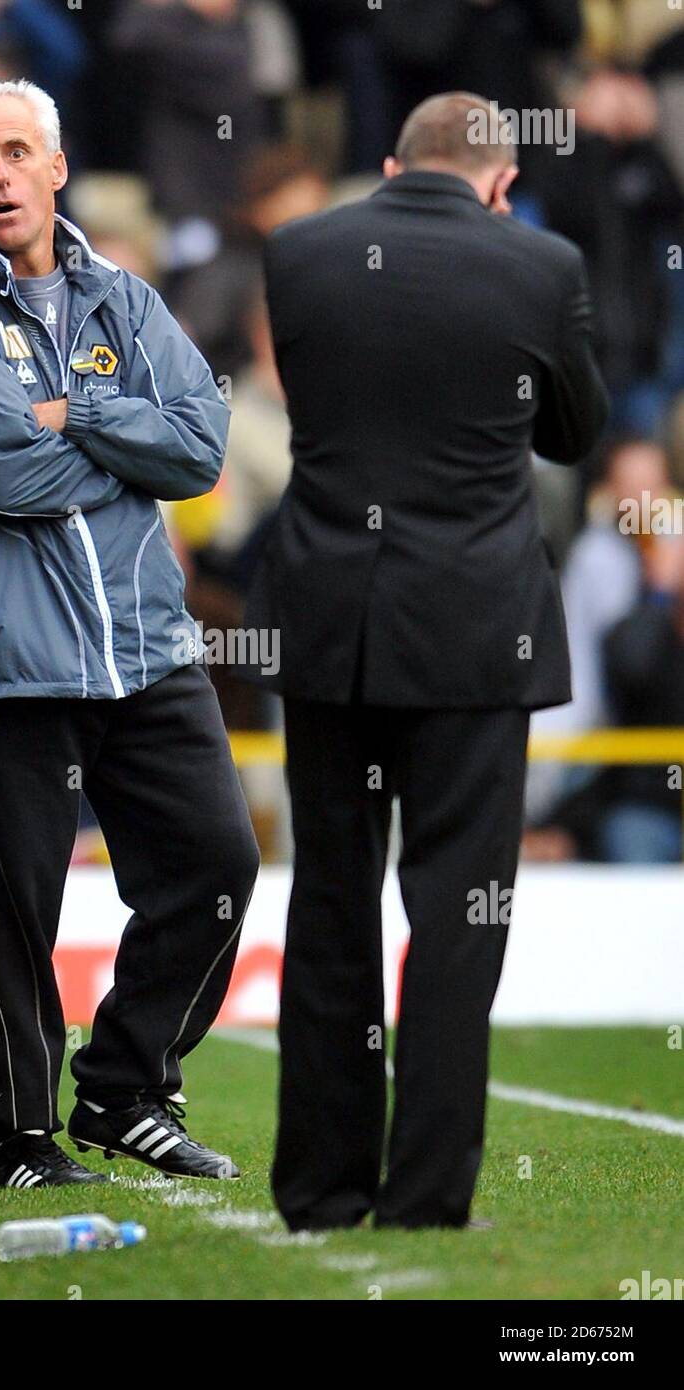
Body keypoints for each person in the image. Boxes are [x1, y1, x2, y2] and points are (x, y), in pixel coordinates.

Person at [242, 92, 609, 1231]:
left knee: (330, 904)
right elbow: (574, 432)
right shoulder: (539, 265)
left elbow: (324, 398)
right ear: (497, 180)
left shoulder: (297, 254)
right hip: (472, 641)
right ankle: (426, 1194)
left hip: (334, 633)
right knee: (459, 915)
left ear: (394, 164)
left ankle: (317, 1187)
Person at [0, 78, 259, 1190]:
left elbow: (198, 450)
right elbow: (2, 474)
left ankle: (124, 1088)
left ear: (56, 168)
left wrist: (80, 412)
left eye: (17, 153)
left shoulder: (130, 304)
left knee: (217, 867)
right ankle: (19, 1139)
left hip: (147, 646)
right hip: (10, 657)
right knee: (15, 916)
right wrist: (119, 446)